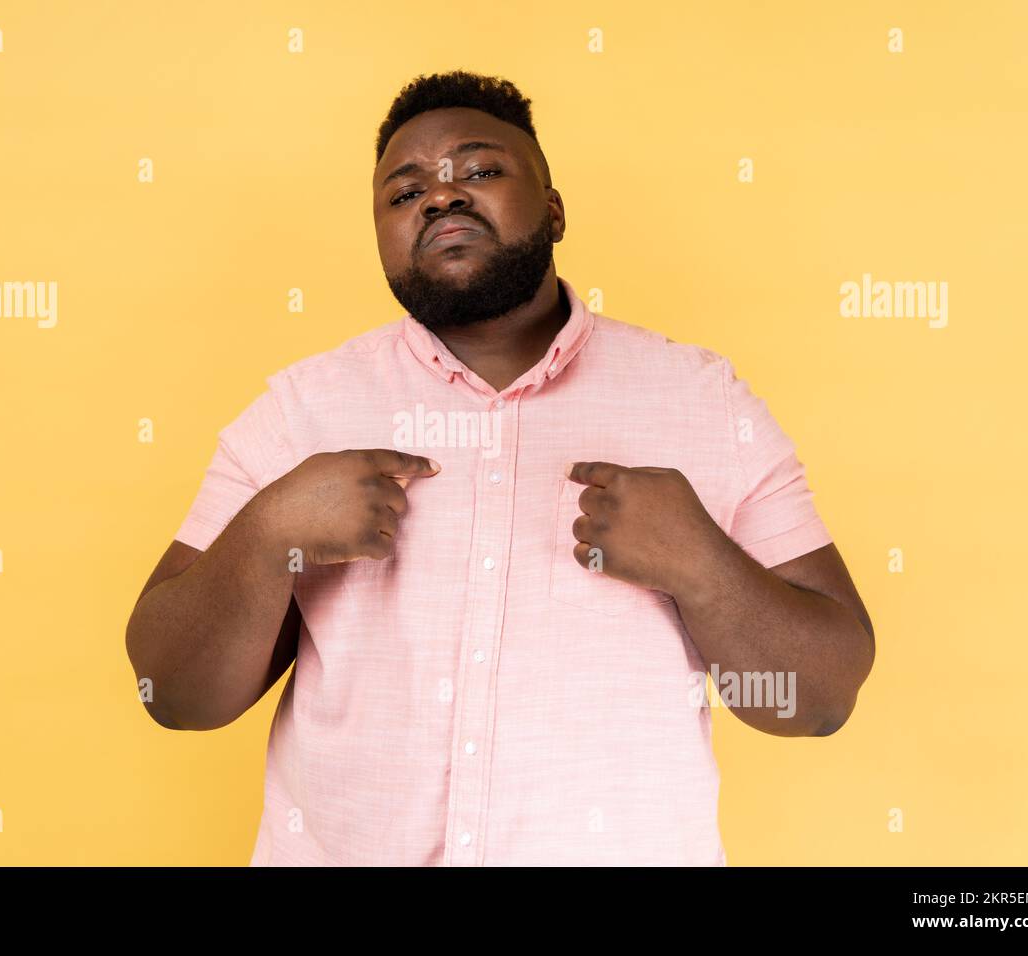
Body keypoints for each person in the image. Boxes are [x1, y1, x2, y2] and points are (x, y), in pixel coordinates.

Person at [125, 70, 875, 866]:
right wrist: (267, 533)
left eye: (479, 171)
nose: (442, 198)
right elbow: (173, 698)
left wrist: (703, 569)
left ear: (554, 209)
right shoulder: (297, 414)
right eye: (404, 192)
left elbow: (818, 702)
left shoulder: (704, 401)